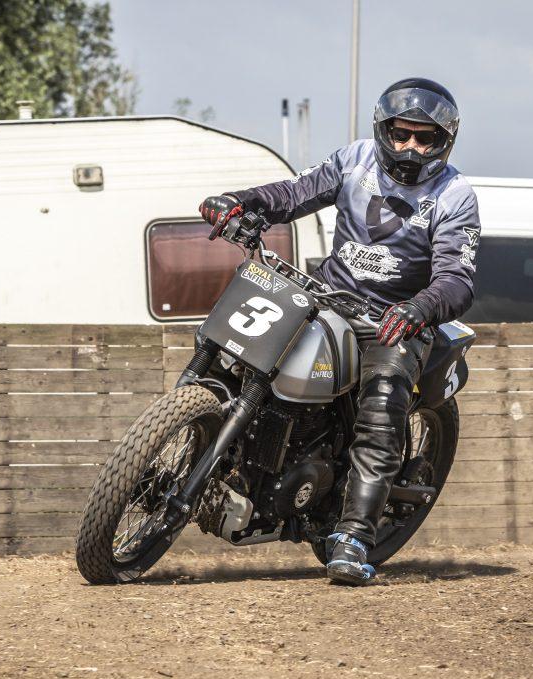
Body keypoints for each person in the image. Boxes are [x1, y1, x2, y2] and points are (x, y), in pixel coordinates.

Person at [198, 77, 481, 586]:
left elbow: (457, 278)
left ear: (445, 142)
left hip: (394, 321)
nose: (410, 147)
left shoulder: (455, 195)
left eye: (425, 138)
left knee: (383, 401)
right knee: (241, 353)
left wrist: (419, 309)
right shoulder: (353, 160)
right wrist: (240, 202)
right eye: (401, 134)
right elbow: (292, 193)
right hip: (326, 295)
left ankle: (354, 536)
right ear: (383, 130)